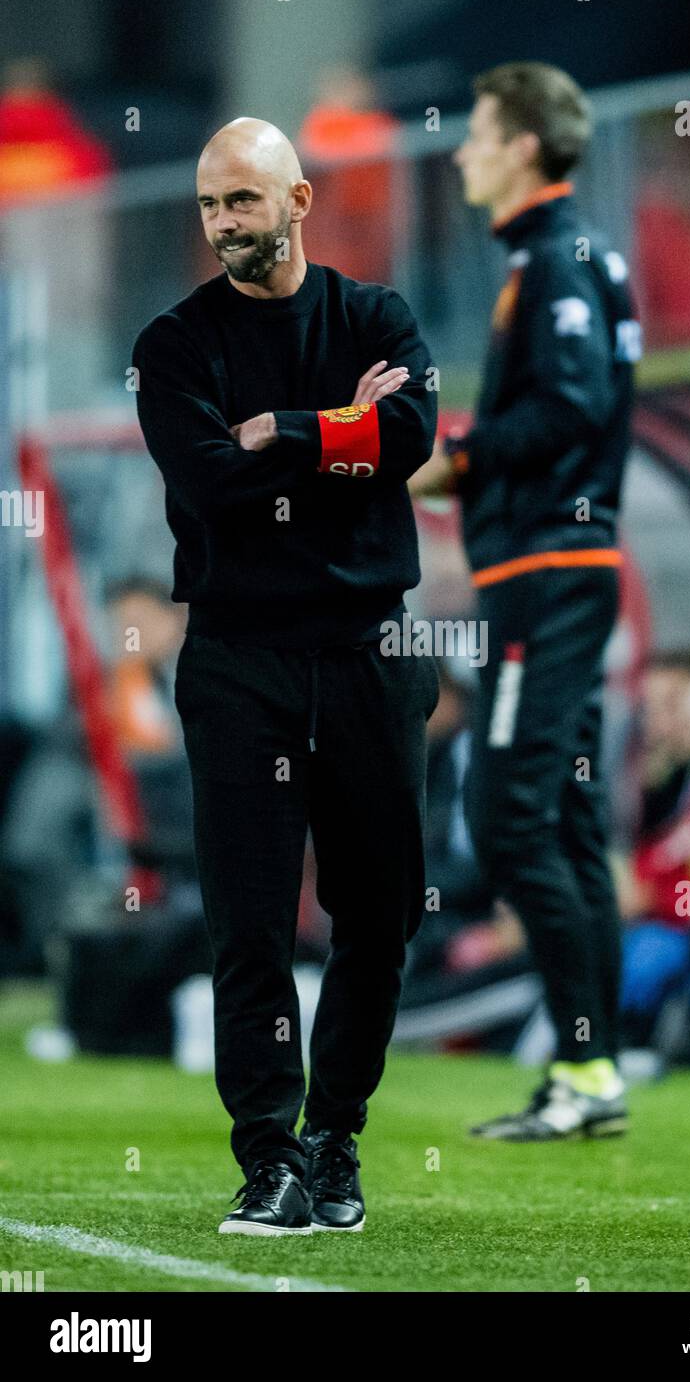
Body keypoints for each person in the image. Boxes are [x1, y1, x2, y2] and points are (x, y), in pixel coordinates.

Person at [132, 117, 439, 1234]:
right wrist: (336, 438)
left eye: (244, 202)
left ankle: (334, 1141)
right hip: (238, 658)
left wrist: (289, 432)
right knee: (251, 924)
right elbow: (210, 483)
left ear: (300, 202)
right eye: (212, 205)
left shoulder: (377, 313)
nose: (223, 224)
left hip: (367, 653)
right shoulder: (173, 345)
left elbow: (410, 434)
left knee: (380, 912)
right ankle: (267, 1156)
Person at [410, 62, 640, 1141]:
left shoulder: (554, 260)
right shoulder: (567, 255)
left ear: (525, 146)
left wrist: (457, 456)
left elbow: (572, 404)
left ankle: (590, 1067)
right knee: (566, 817)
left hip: (545, 574)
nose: (462, 150)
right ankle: (592, 1075)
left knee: (507, 816)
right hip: (560, 569)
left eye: (479, 132)